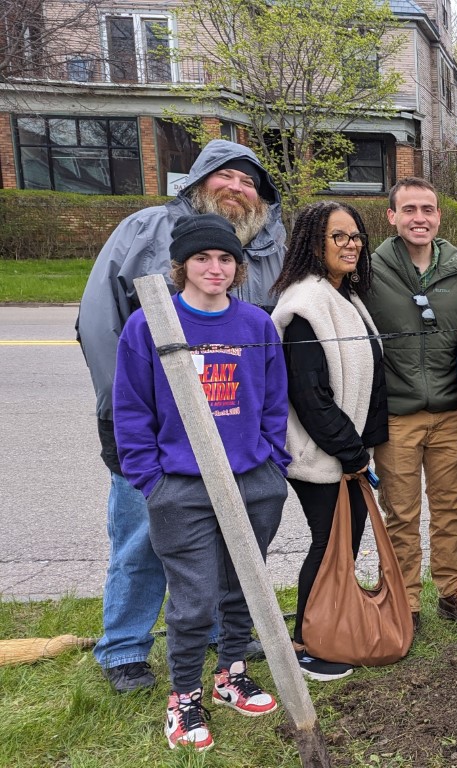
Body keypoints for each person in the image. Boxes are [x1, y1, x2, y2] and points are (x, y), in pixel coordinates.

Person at [77, 139, 286, 693]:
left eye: (251, 183)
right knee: (142, 539)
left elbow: (269, 363)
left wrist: (273, 455)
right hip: (153, 429)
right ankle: (124, 647)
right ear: (198, 180)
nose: (238, 189)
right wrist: (124, 417)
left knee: (225, 543)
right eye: (228, 176)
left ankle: (223, 640)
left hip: (235, 439)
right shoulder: (148, 228)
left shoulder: (265, 249)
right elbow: (101, 320)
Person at [112, 214, 289, 750]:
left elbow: (275, 400)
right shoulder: (150, 325)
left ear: (238, 268)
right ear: (181, 266)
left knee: (245, 587)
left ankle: (230, 673)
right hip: (183, 486)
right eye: (202, 259)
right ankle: (184, 697)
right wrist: (152, 479)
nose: (215, 268)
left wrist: (273, 462)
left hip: (252, 479)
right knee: (193, 598)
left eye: (226, 259)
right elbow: (131, 409)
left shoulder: (256, 325)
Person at [271, 201, 389, 681]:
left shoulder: (343, 298)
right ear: (313, 243)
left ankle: (325, 627)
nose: (351, 244)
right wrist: (353, 452)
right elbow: (309, 396)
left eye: (356, 236)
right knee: (328, 545)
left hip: (345, 453)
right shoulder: (304, 306)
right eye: (338, 236)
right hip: (323, 456)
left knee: (343, 545)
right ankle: (306, 643)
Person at [364, 178, 457, 631]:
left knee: (451, 510)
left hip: (451, 415)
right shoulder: (369, 273)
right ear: (392, 216)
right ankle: (404, 600)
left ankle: (452, 591)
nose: (420, 218)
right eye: (410, 209)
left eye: (428, 209)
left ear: (439, 217)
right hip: (398, 416)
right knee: (401, 513)